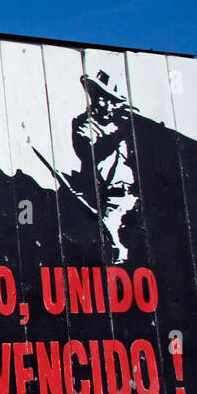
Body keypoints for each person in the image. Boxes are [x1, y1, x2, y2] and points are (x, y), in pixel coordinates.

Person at [70, 70, 138, 263]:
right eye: (100, 97)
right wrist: (119, 133)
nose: (104, 103)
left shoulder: (123, 123)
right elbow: (91, 153)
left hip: (132, 198)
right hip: (106, 200)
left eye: (110, 99)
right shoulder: (84, 124)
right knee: (116, 252)